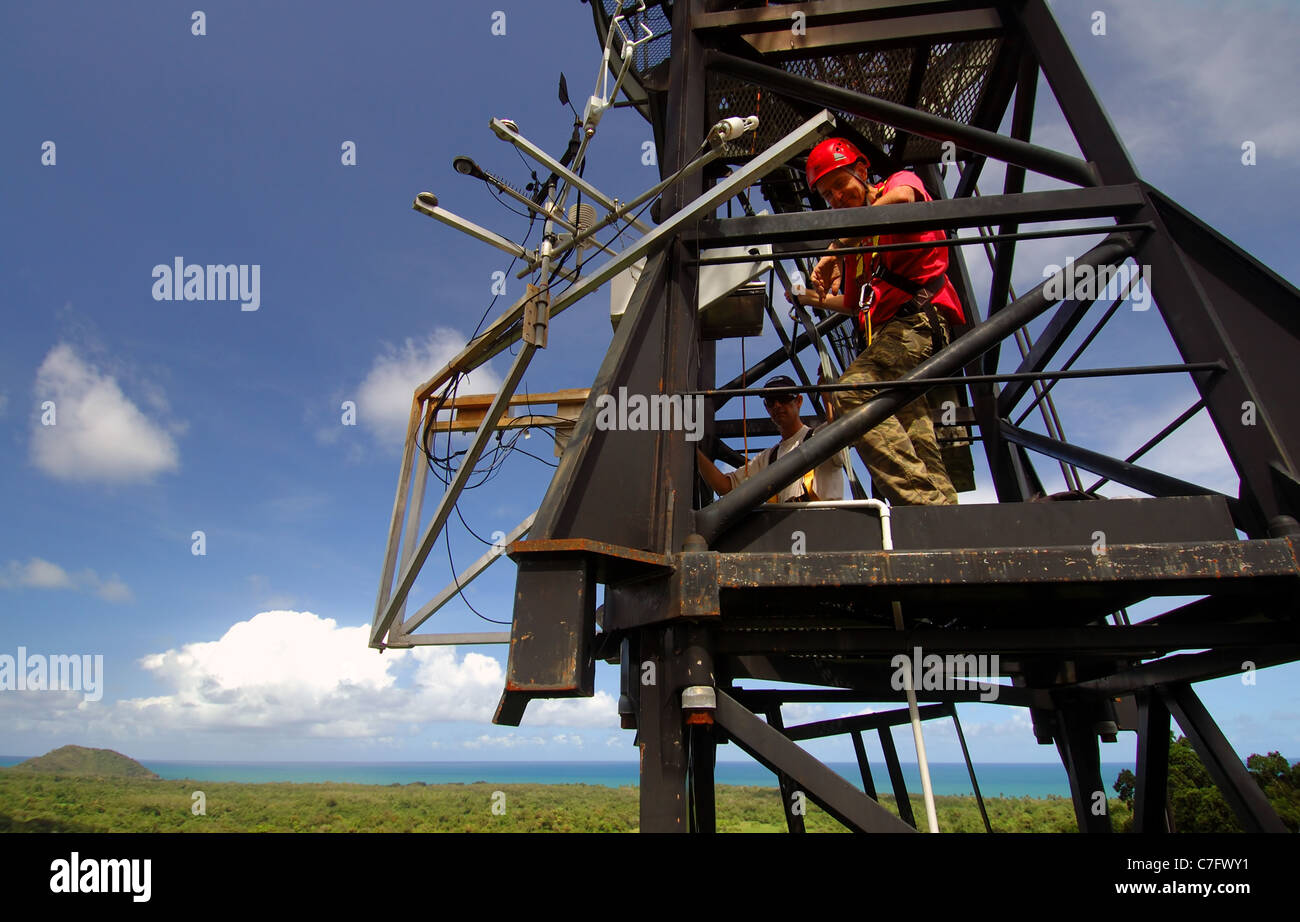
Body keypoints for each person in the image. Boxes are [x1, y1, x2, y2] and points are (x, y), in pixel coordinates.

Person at [787, 137, 963, 505]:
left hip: (916, 322)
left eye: (840, 186)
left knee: (852, 390)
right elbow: (852, 302)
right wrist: (804, 297)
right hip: (888, 336)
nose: (837, 199)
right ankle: (946, 511)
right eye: (827, 195)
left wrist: (836, 249)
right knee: (914, 431)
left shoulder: (900, 182)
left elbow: (901, 202)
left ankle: (923, 507)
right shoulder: (855, 243)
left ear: (863, 170)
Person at [696, 375, 844, 503]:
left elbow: (838, 429)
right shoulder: (767, 458)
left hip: (825, 526)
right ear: (767, 408)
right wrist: (689, 448)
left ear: (798, 401)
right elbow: (725, 486)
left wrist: (828, 395)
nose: (777, 405)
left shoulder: (823, 435)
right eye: (771, 401)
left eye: (783, 398)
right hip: (788, 531)